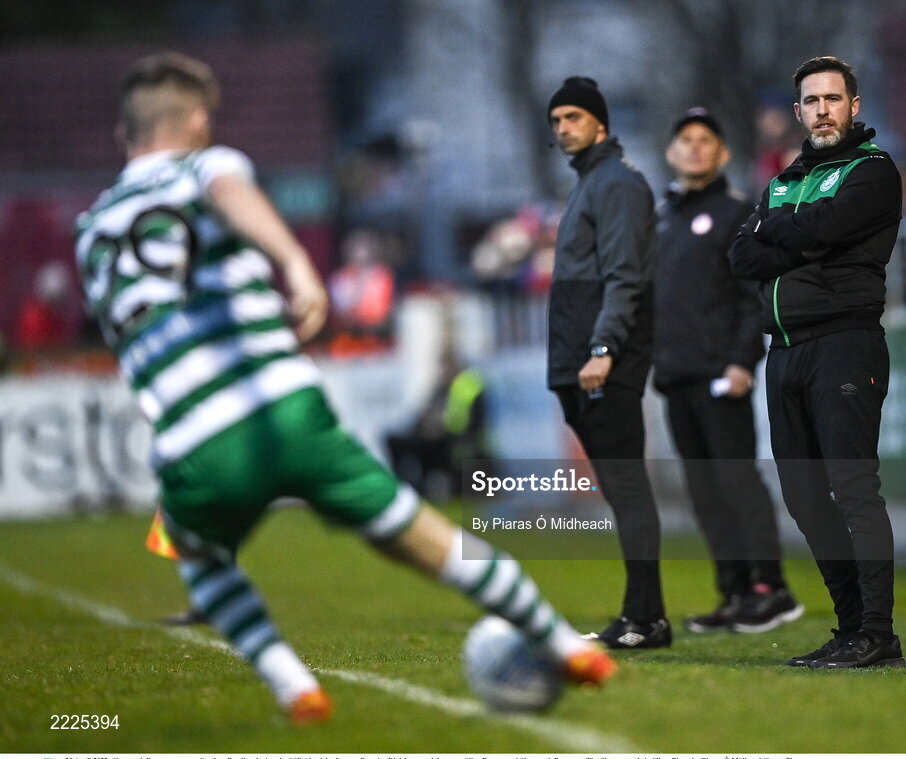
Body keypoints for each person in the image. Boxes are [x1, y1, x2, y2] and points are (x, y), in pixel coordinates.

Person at [74, 52, 615, 724]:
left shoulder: (90, 231)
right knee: (414, 532)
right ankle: (562, 640)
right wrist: (295, 262)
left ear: (123, 133)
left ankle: (293, 684)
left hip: (192, 437)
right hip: (285, 405)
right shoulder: (205, 166)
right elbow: (227, 189)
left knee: (201, 561)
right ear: (197, 121)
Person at [729, 56, 906, 668]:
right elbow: (741, 257)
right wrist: (799, 234)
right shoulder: (783, 181)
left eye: (833, 99)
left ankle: (878, 634)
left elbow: (829, 225)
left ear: (854, 106)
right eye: (812, 100)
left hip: (844, 344)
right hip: (785, 352)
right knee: (804, 498)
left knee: (853, 489)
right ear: (798, 111)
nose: (822, 110)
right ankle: (852, 628)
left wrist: (782, 231)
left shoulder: (873, 170)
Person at [653, 108, 803, 633]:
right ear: (671, 153)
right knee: (704, 491)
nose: (694, 147)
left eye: (705, 140)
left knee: (737, 480)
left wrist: (742, 360)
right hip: (675, 375)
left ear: (723, 153)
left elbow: (750, 299)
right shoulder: (663, 219)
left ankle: (771, 588)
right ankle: (735, 591)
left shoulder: (739, 213)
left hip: (721, 374)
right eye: (685, 139)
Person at [547, 76, 669, 649]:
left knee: (627, 488)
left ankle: (645, 618)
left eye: (573, 117)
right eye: (556, 120)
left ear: (600, 122)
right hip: (580, 361)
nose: (563, 128)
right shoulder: (592, 183)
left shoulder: (616, 183)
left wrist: (603, 349)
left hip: (603, 361)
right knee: (622, 492)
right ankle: (645, 615)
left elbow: (625, 276)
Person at [387, 351, 490, 499]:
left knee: (428, 449)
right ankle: (406, 491)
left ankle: (419, 490)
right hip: (436, 437)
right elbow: (426, 413)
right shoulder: (441, 386)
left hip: (456, 440)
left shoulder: (468, 387)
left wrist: (440, 425)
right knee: (397, 442)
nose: (443, 371)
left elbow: (467, 422)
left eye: (446, 367)